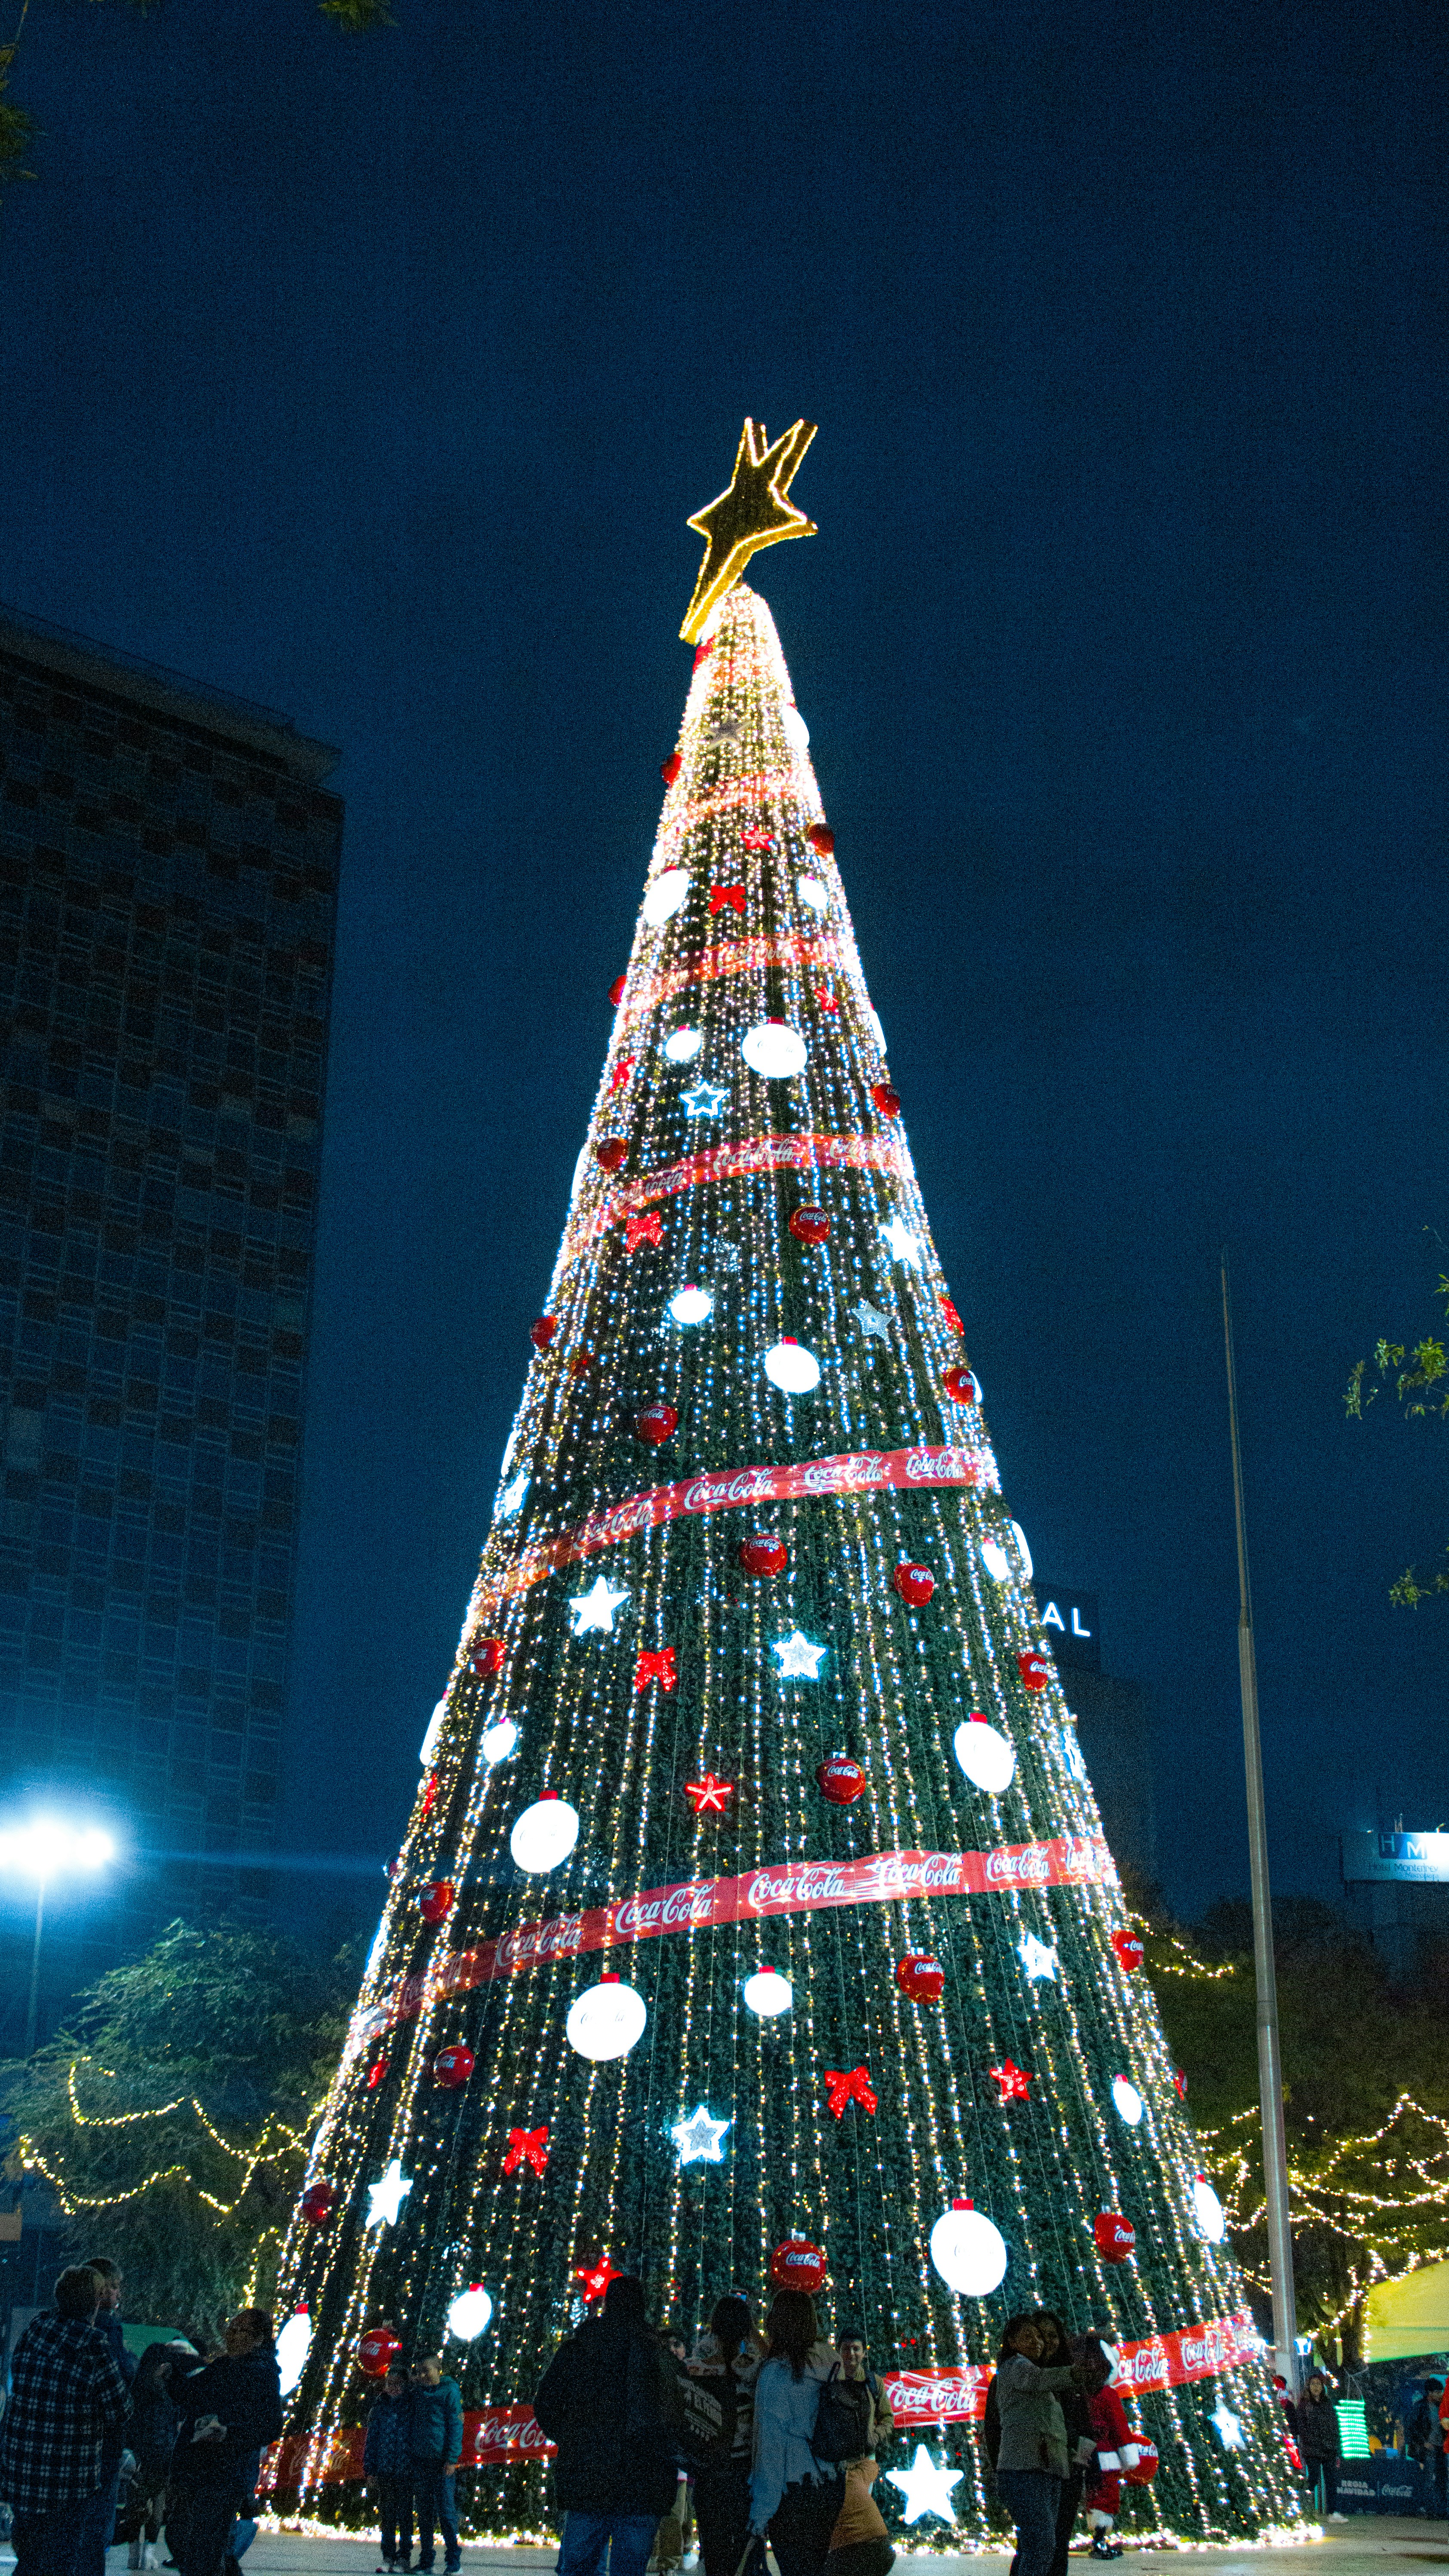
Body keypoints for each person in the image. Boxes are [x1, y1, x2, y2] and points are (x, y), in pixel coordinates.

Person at [534, 2272, 683, 2576]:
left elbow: (546, 2404)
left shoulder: (579, 2350)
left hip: (588, 2477)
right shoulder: (659, 2356)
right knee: (629, 2568)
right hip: (643, 2481)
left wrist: (573, 2441)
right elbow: (678, 2418)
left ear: (608, 2304)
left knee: (579, 2566)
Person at [0, 2263, 132, 2576]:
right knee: (61, 2559)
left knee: (30, 2555)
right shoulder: (93, 2345)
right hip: (68, 2476)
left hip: (23, 2469)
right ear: (96, 2301)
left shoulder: (34, 2331)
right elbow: (120, 2410)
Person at [171, 2309, 283, 2576]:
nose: (231, 2336)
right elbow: (191, 2394)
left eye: (239, 2330)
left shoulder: (263, 2374)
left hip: (227, 2472)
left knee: (204, 2547)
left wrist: (229, 2433)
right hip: (198, 2467)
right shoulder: (224, 2366)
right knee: (187, 2540)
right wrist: (171, 2374)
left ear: (258, 2338)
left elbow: (269, 2426)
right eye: (230, 2329)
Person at [747, 2288, 843, 2576]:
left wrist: (761, 2513)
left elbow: (771, 2448)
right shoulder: (831, 2360)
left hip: (792, 2490)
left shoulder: (775, 2374)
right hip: (828, 2483)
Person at [993, 2315, 1083, 2576]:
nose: (1037, 2342)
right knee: (1041, 2545)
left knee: (1038, 2545)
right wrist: (1075, 2373)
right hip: (1025, 2471)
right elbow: (1037, 2379)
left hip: (1045, 2470)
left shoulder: (1034, 2372)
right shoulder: (1016, 2366)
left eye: (1039, 2337)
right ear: (1012, 2342)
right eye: (1027, 2336)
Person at [690, 2296, 764, 2576]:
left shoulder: (701, 2356)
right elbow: (773, 2359)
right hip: (746, 2465)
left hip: (711, 2464)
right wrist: (753, 2333)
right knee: (746, 2546)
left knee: (714, 2546)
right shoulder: (754, 2362)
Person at [821, 2331, 894, 2576]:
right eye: (846, 2348)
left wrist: (877, 2435)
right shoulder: (829, 2380)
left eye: (856, 2349)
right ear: (838, 2351)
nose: (851, 2354)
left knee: (860, 2517)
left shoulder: (874, 2383)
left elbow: (888, 2418)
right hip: (836, 2463)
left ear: (864, 2352)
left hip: (864, 2461)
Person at [117, 2342, 185, 2571]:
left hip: (137, 2454)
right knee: (157, 2504)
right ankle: (148, 2555)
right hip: (162, 2453)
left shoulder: (136, 2386)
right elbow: (171, 2424)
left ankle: (133, 2555)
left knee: (135, 2504)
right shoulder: (166, 2390)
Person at [1034, 2317, 1093, 2576]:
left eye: (1053, 2335)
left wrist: (1078, 2463)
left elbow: (1086, 2427)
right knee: (1035, 2544)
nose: (1048, 2342)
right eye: (1041, 2335)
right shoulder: (1018, 2378)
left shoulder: (1072, 2378)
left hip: (1067, 2473)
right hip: (1032, 2473)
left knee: (1059, 2543)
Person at [1072, 2338, 1139, 2559]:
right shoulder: (1108, 2394)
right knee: (1105, 2498)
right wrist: (1129, 2456)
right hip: (1106, 2457)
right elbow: (1119, 2427)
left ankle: (1096, 2538)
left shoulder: (1074, 2394)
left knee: (1090, 2497)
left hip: (1081, 2454)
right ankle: (1100, 2541)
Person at [410, 2354, 464, 2576]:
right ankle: (426, 2561)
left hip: (442, 2463)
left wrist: (452, 2458)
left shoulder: (449, 2391)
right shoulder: (417, 2393)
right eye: (420, 2371)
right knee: (424, 2513)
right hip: (421, 2461)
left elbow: (456, 2425)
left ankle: (454, 2561)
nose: (423, 2375)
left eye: (427, 2370)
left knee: (446, 2512)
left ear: (438, 2369)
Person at [365, 2361, 416, 2573]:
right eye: (390, 2383)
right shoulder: (380, 2408)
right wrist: (370, 2469)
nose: (393, 2388)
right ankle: (388, 2556)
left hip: (405, 2470)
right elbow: (372, 2439)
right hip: (385, 2469)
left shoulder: (412, 2407)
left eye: (398, 2384)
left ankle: (404, 2557)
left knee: (405, 2515)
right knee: (387, 2516)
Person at [1299, 2371, 1342, 2519]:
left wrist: (1335, 2445)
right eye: (1313, 2384)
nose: (1316, 2387)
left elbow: (1334, 2425)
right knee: (1314, 2478)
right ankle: (1305, 2508)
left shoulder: (1327, 2404)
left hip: (1329, 2448)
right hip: (1313, 2449)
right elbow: (1303, 2427)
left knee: (1331, 2480)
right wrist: (1311, 2442)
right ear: (1309, 2387)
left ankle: (1333, 2512)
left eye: (1319, 2384)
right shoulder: (1304, 2405)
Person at [1409, 2380, 1446, 2518]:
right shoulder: (1420, 2407)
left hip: (1441, 2448)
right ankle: (1430, 2509)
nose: (1440, 2394)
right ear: (1430, 2393)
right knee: (1429, 2478)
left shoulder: (1442, 2407)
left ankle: (1442, 2509)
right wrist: (1423, 2442)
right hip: (1428, 2448)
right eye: (1438, 2392)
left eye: (1441, 2392)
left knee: (1442, 2478)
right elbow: (1412, 2427)